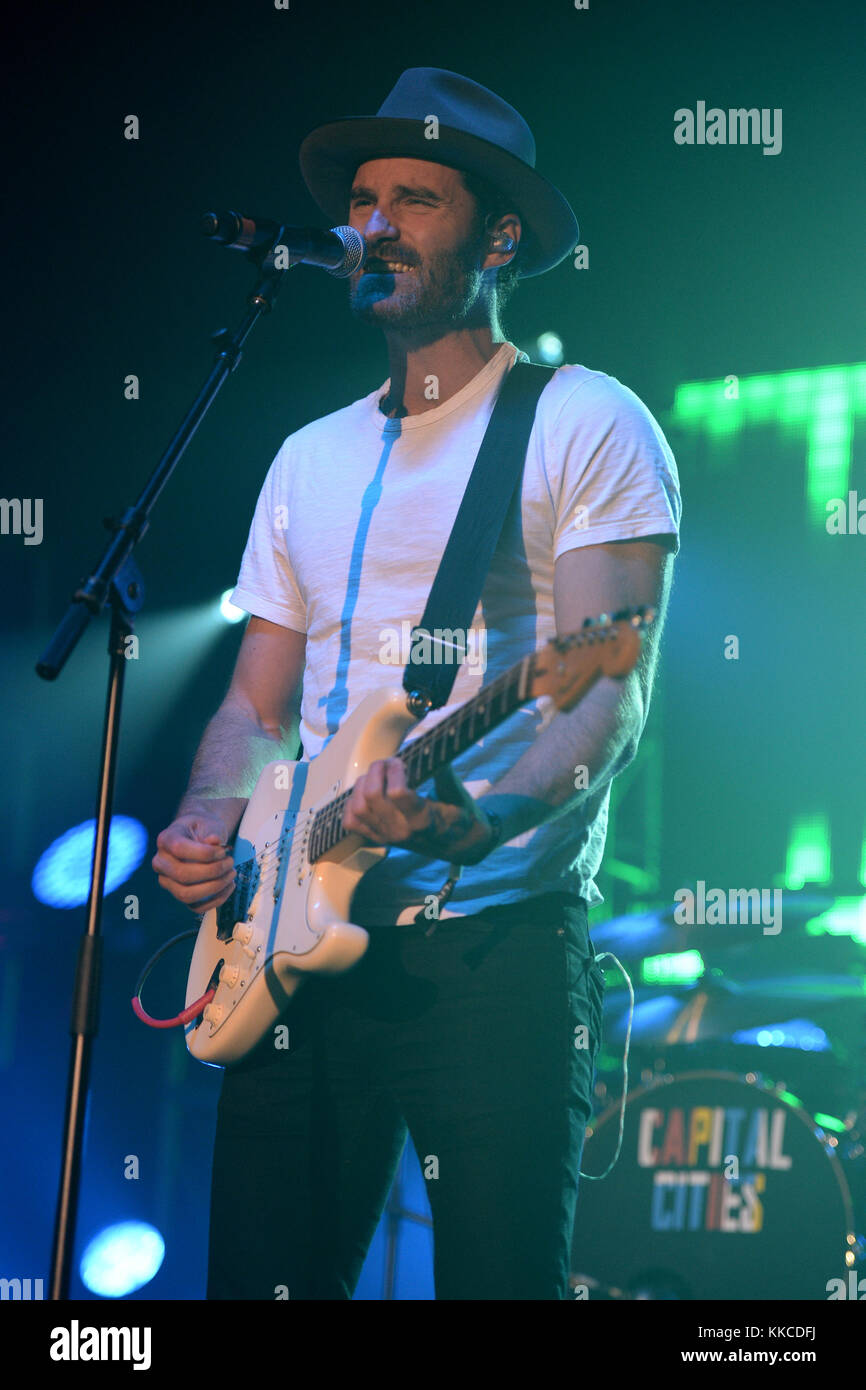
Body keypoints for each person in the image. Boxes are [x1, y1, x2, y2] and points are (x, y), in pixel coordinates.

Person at [152, 67, 681, 1300]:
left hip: (488, 948)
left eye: (414, 199)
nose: (373, 222)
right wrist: (207, 814)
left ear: (498, 238)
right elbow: (256, 707)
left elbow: (605, 685)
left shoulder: (581, 421)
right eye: (362, 200)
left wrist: (481, 817)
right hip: (287, 938)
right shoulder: (304, 454)